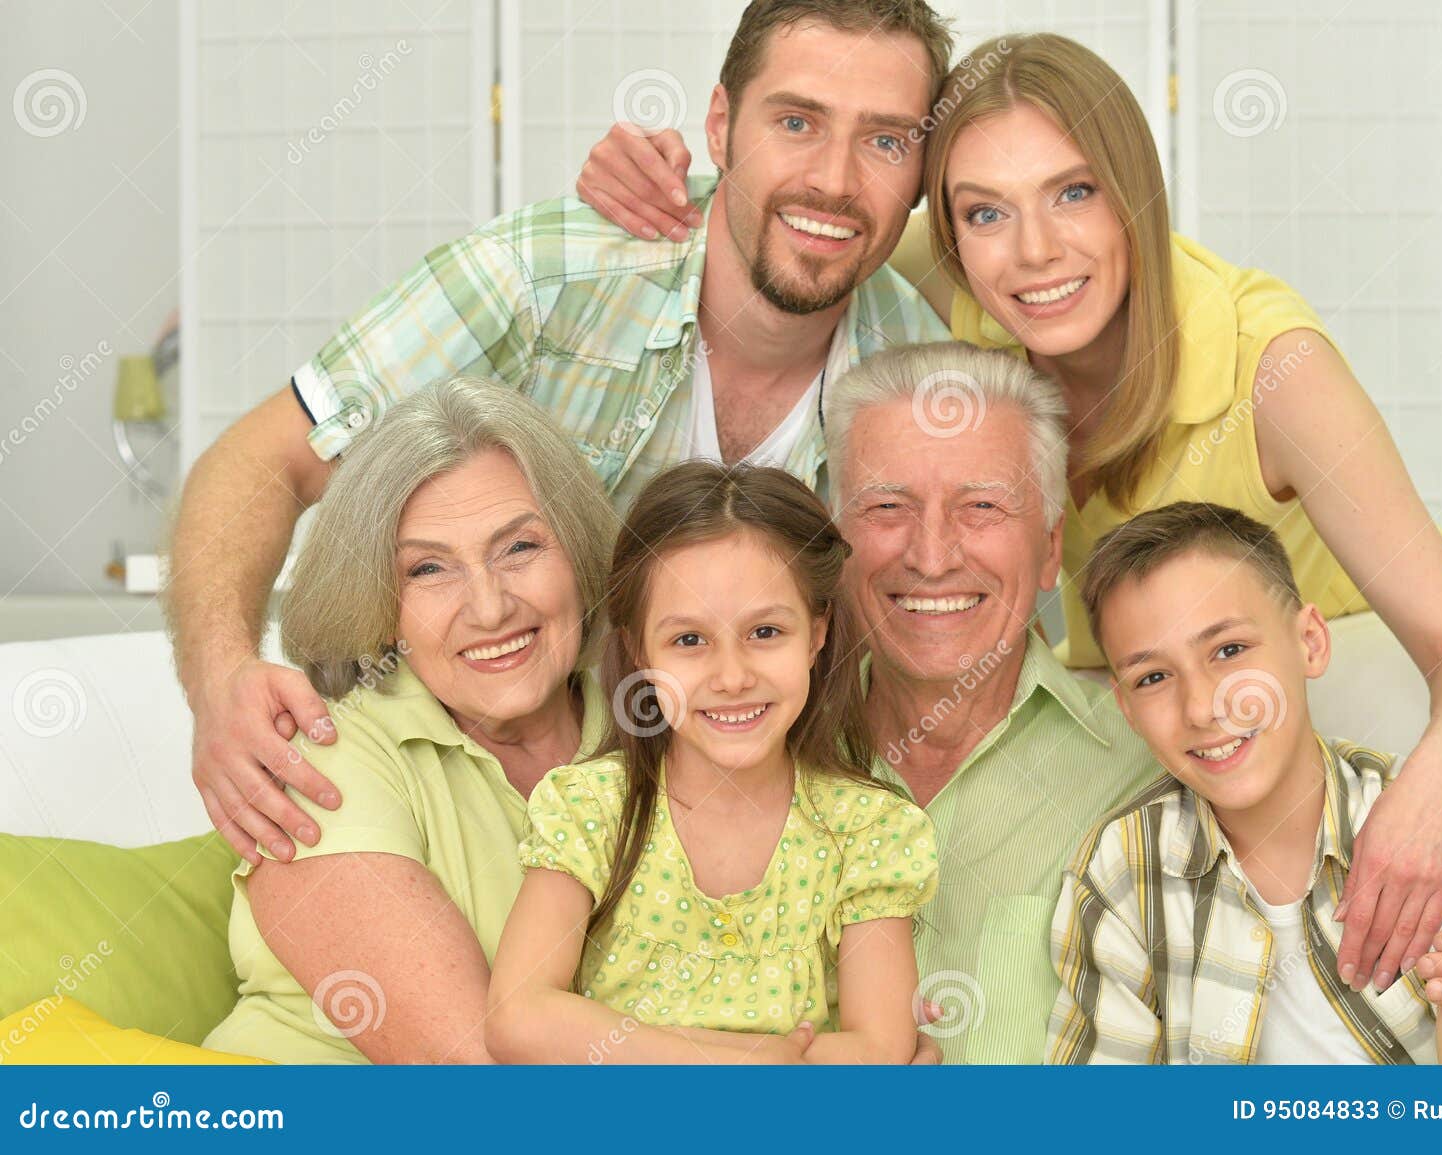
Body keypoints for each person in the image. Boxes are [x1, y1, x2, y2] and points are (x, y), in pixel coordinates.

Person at [576, 29, 1442, 1003]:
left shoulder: (1276, 372)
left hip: (1339, 635)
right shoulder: (966, 284)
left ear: (1135, 191)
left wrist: (1428, 793)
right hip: (1135, 674)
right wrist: (659, 178)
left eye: (1075, 193)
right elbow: (814, 212)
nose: (1033, 253)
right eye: (985, 211)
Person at [167, 0, 951, 874]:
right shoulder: (545, 277)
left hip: (706, 858)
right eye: (796, 121)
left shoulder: (923, 386)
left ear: (921, 175)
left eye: (885, 141)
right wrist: (220, 680)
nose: (834, 179)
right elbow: (262, 459)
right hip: (460, 817)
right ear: (722, 126)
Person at [203, 379, 618, 1063]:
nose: (488, 608)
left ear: (578, 553)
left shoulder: (658, 740)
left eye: (519, 548)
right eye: (430, 568)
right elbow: (479, 1083)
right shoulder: (325, 757)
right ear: (378, 600)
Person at [1047, 502, 1442, 1064]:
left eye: (1229, 650)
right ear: (1126, 709)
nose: (1204, 707)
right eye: (1153, 677)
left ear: (1310, 642)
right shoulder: (1121, 869)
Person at [485, 462, 938, 1063]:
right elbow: (517, 1016)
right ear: (638, 649)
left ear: (818, 633)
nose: (731, 677)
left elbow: (880, 1049)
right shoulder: (592, 809)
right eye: (690, 641)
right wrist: (735, 1062)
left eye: (766, 631)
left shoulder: (868, 831)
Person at [823, 343, 1164, 1062]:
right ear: (835, 543)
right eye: (887, 505)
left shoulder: (1151, 771)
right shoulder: (751, 759)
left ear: (1048, 549)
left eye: (981, 506)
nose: (933, 554)